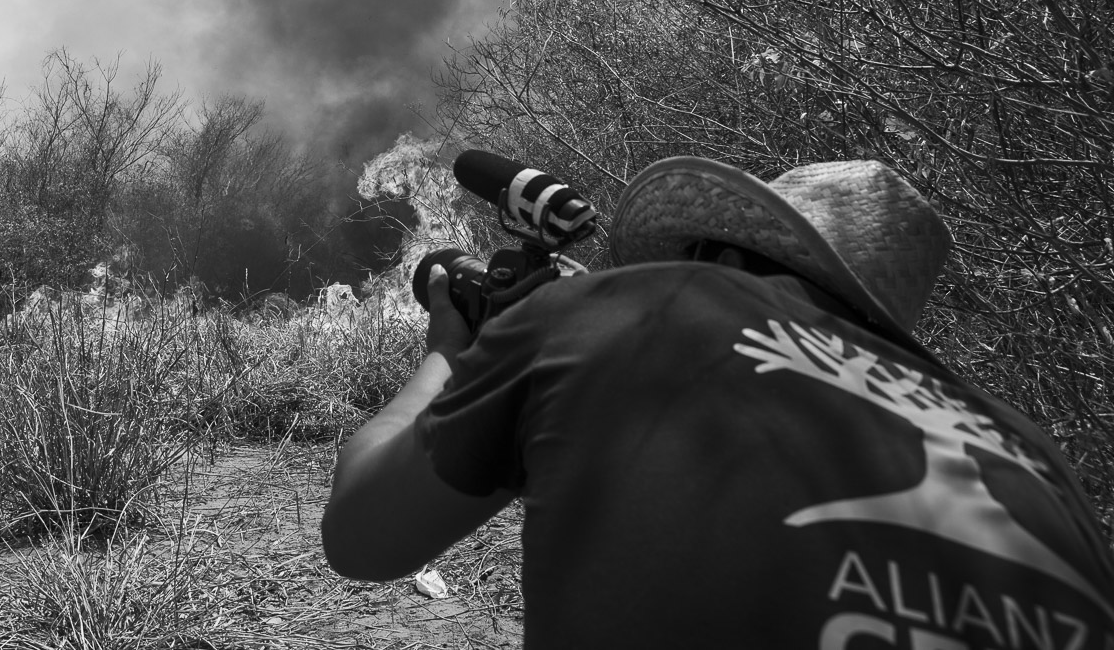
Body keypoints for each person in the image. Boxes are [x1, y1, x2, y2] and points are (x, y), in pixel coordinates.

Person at [322, 156, 1114, 647]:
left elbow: (361, 535)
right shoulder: (1035, 453)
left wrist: (450, 347)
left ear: (720, 250)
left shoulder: (624, 312)